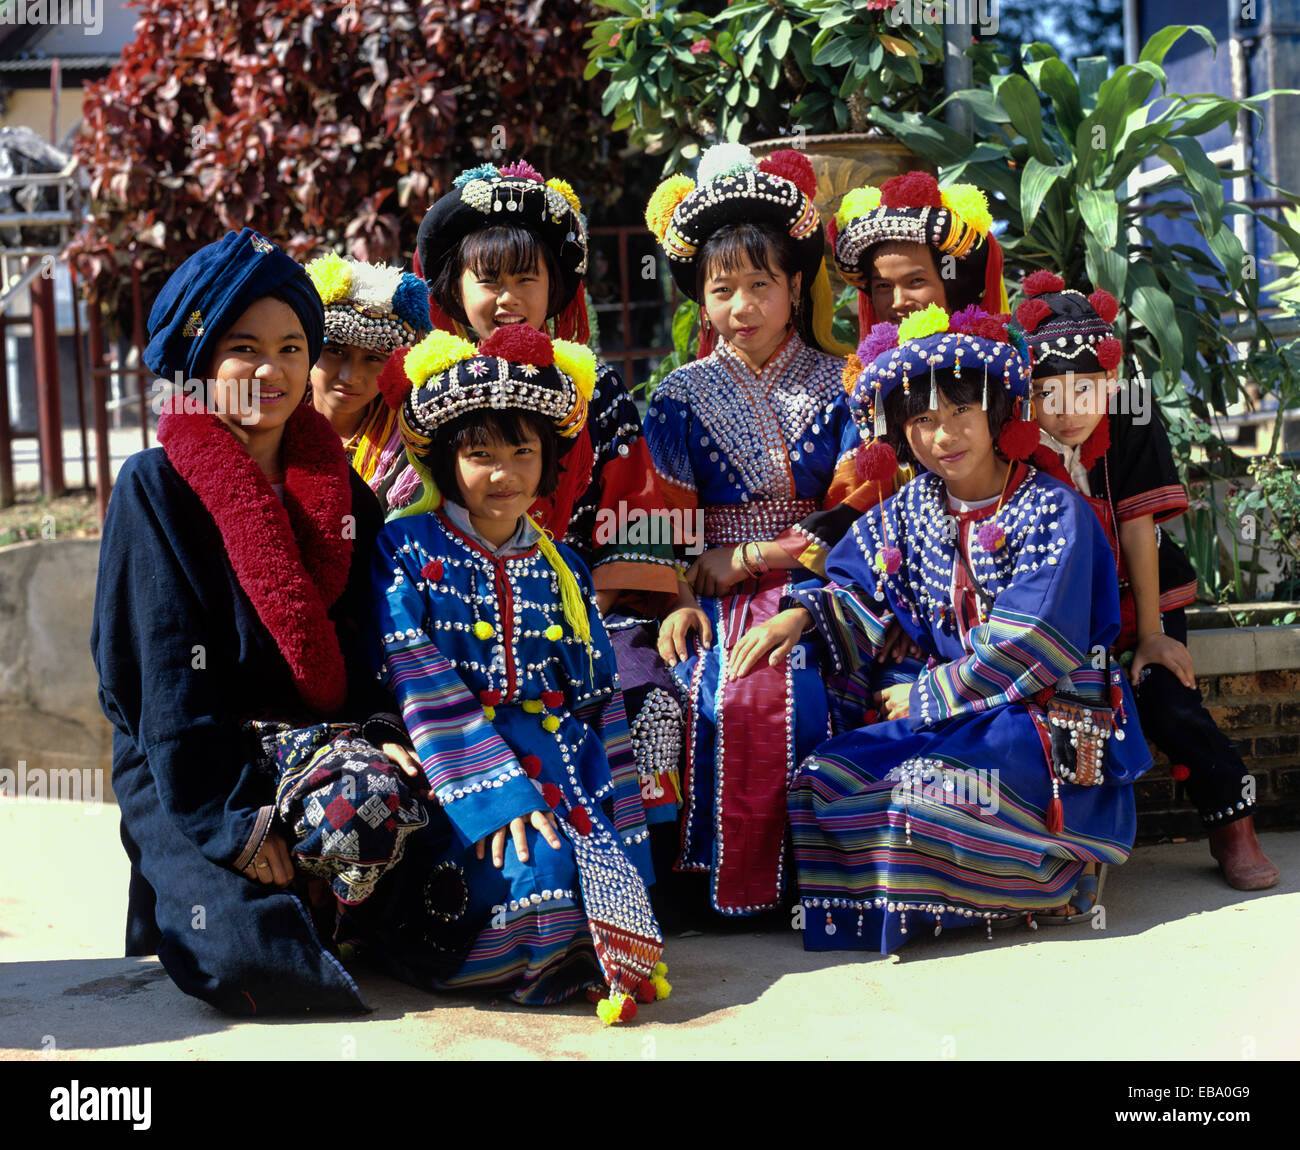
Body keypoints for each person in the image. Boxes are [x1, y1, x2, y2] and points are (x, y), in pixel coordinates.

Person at [732, 304, 1152, 953]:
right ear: (902, 430)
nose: (944, 435)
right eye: (923, 419)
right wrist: (802, 613)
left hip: (1043, 719)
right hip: (958, 717)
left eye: (961, 413)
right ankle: (916, 901)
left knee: (916, 800)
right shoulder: (909, 508)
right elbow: (858, 586)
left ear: (995, 415)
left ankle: (1060, 874)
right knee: (823, 776)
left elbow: (1032, 641)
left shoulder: (1051, 510)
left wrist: (926, 695)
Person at [91, 229, 427, 1015]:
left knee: (433, 867)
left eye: (289, 347)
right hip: (195, 765)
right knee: (249, 959)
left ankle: (335, 888)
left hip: (324, 740)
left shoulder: (342, 490)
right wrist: (236, 822)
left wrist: (380, 730)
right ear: (201, 359)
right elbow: (162, 683)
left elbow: (378, 640)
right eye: (243, 348)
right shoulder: (155, 488)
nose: (270, 371)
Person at [362, 322, 667, 1024]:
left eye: (521, 452)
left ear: (548, 459)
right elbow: (414, 669)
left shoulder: (564, 567)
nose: (502, 474)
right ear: (445, 458)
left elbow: (599, 705)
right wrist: (496, 796)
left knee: (602, 894)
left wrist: (623, 839)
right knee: (538, 880)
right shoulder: (404, 545)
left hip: (564, 770)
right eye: (479, 454)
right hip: (453, 776)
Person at [414, 158, 692, 833]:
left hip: (586, 606)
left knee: (642, 697)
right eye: (489, 280)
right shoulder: (425, 398)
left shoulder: (600, 393)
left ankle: (633, 871)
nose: (508, 297)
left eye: (525, 278)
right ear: (454, 289)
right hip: (460, 614)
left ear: (556, 287)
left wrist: (576, 609)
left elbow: (637, 516)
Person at [641, 142, 863, 916]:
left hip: (820, 585)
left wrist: (753, 554)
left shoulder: (844, 385)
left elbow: (855, 508)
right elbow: (659, 523)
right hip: (710, 595)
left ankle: (808, 884)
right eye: (723, 288)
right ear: (701, 301)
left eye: (761, 285)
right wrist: (675, 597)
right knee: (705, 690)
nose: (743, 306)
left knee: (799, 687)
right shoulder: (677, 396)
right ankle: (710, 886)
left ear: (797, 286)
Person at [1020, 273, 1279, 890]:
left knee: (1169, 700)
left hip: (1146, 600)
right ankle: (1061, 845)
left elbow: (1138, 526)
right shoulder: (1016, 443)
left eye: (1086, 388)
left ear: (1109, 384)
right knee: (1056, 714)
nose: (1068, 408)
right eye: (1047, 392)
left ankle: (1232, 824)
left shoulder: (1130, 421)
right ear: (1023, 393)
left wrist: (1155, 637)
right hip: (1061, 617)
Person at [781, 170, 1009, 575]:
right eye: (883, 287)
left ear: (952, 284)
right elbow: (859, 501)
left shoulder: (1000, 370)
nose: (898, 302)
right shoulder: (869, 386)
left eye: (916, 281)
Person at [303, 253, 432, 514]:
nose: (350, 376)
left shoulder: (410, 450)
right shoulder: (269, 424)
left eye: (373, 358)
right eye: (336, 351)